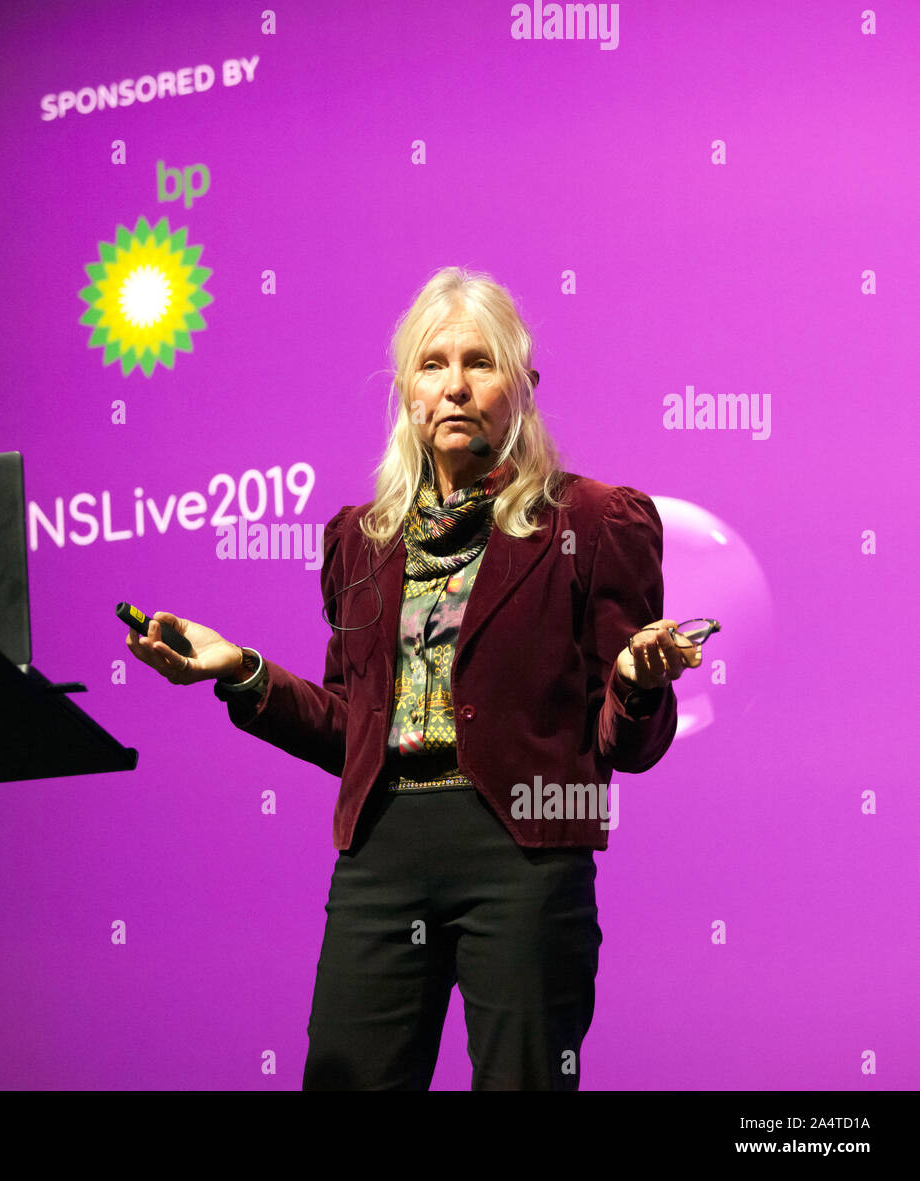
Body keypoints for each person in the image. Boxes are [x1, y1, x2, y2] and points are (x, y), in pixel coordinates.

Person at [125, 266, 699, 1090]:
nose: (456, 386)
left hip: (526, 852)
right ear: (405, 389)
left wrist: (639, 682)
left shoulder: (597, 521)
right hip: (382, 856)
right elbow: (347, 729)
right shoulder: (361, 540)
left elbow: (626, 743)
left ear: (523, 386)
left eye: (480, 362)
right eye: (433, 364)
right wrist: (241, 669)